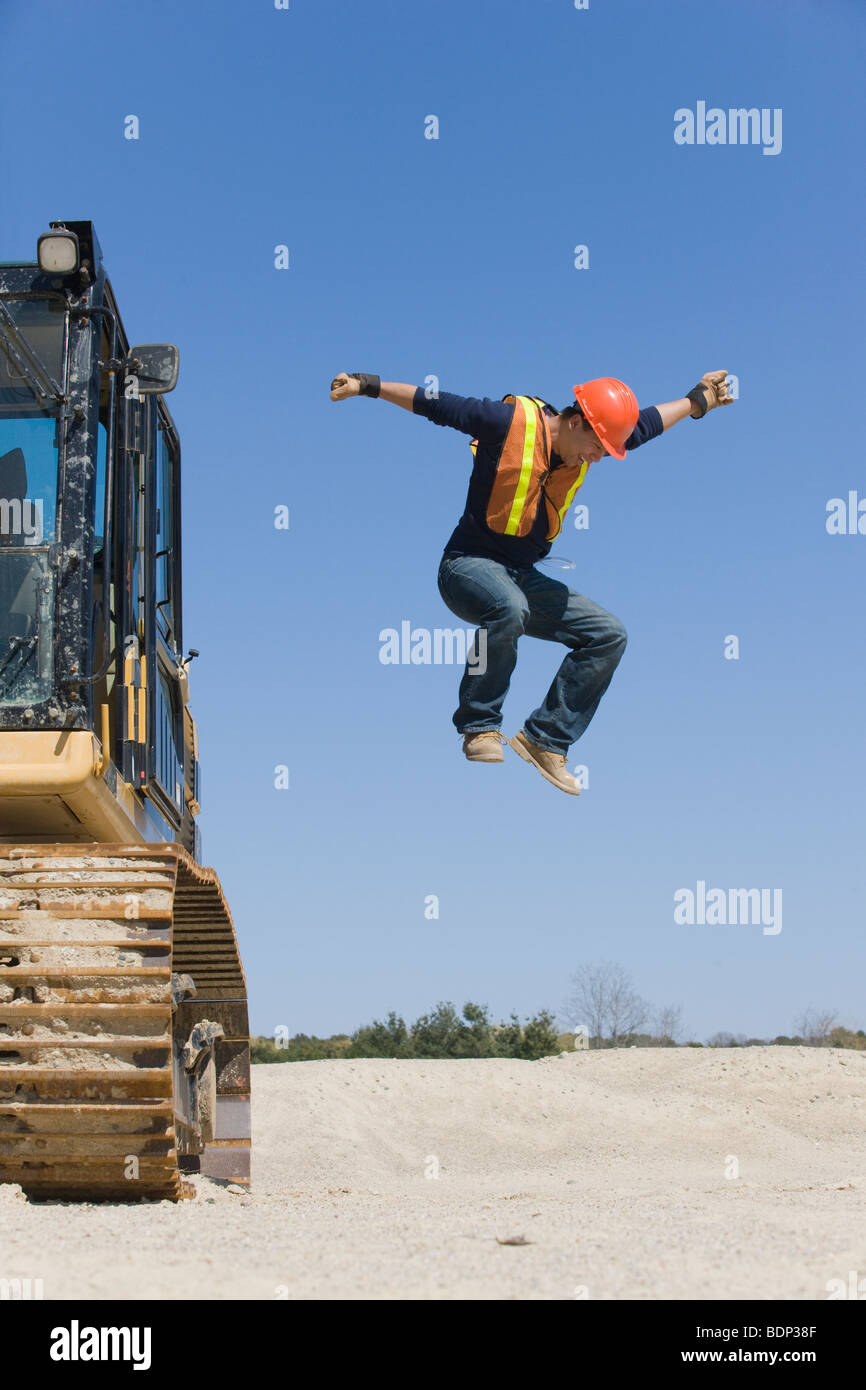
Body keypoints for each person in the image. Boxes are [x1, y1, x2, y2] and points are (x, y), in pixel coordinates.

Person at [330, 369, 733, 794]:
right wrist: (367, 385)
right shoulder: (505, 424)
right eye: (596, 448)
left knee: (608, 634)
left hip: (521, 577)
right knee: (509, 607)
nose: (596, 458)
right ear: (577, 422)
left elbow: (645, 424)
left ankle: (545, 739)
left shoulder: (591, 439)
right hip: (466, 566)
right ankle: (479, 725)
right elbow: (433, 403)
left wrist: (698, 399)